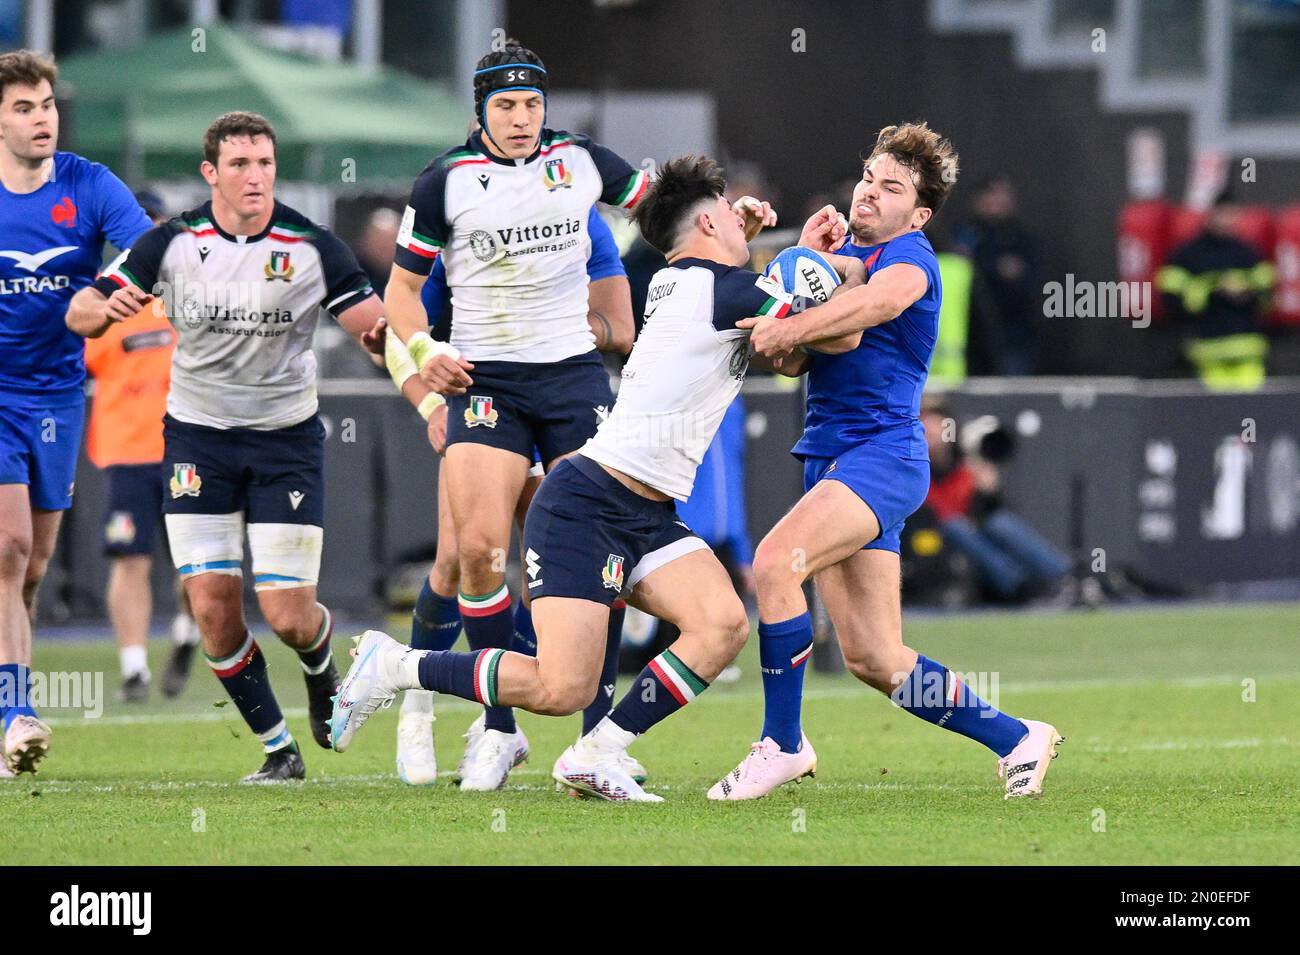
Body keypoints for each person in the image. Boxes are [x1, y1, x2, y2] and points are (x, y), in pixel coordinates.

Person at [331, 154, 861, 802]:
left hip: (645, 511)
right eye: (725, 208)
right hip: (588, 502)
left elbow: (754, 299)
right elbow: (814, 303)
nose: (739, 213)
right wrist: (847, 259)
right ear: (707, 224)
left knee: (722, 623)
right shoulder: (715, 290)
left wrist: (779, 256)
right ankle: (394, 666)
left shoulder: (681, 281)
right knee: (561, 687)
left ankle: (598, 751)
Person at [712, 123, 1064, 801]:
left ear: (920, 212)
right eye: (869, 177)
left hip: (882, 456)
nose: (870, 191)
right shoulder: (843, 254)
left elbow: (878, 303)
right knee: (875, 657)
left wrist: (792, 317)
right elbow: (785, 361)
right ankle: (1018, 735)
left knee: (774, 562)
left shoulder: (912, 258)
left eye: (891, 186)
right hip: (831, 457)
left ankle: (782, 743)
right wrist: (793, 268)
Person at [65, 111, 388, 783]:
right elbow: (81, 312)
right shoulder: (172, 243)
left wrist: (405, 344)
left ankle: (321, 670)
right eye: (239, 164)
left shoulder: (311, 245)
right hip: (196, 439)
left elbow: (374, 325)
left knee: (290, 615)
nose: (255, 176)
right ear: (211, 173)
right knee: (212, 604)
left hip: (285, 441)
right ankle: (279, 748)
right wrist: (107, 308)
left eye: (265, 163)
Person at [379, 42, 649, 790]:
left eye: (533, 104)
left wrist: (735, 215)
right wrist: (426, 360)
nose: (523, 118)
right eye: (506, 105)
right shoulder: (446, 183)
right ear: (480, 112)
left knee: (600, 554)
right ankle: (491, 726)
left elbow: (664, 210)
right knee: (473, 554)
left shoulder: (583, 170)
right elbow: (395, 304)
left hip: (569, 383)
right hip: (482, 382)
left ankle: (596, 737)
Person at [0, 50, 153, 775]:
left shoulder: (87, 183)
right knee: (8, 547)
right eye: (24, 107)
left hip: (58, 397)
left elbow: (152, 244)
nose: (41, 118)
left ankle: (8, 709)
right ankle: (16, 714)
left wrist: (110, 291)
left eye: (48, 104)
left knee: (31, 571)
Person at [84, 233, 203, 701]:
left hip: (188, 447)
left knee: (197, 563)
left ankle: (187, 633)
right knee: (129, 558)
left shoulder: (193, 298)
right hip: (128, 453)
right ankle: (133, 668)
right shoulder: (104, 303)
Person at [921, 399, 1071, 603]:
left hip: (974, 533)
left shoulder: (967, 465)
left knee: (1000, 523)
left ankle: (1067, 578)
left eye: (937, 425)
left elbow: (989, 512)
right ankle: (1021, 588)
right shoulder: (914, 468)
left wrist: (987, 491)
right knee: (954, 527)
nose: (932, 432)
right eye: (926, 426)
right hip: (933, 539)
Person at [1157, 189, 1275, 390]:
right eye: (1223, 213)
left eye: (1233, 214)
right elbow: (1171, 297)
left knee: (1251, 410)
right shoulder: (1188, 254)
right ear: (1211, 214)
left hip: (1247, 351)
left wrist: (1246, 292)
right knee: (1217, 413)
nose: (1228, 220)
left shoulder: (1248, 252)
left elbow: (1267, 292)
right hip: (1208, 351)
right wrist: (1214, 291)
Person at [953, 176, 1042, 376]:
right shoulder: (966, 234)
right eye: (991, 195)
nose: (998, 202)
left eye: (1004, 196)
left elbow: (1032, 279)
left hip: (1013, 331)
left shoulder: (1020, 237)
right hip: (971, 331)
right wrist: (996, 267)